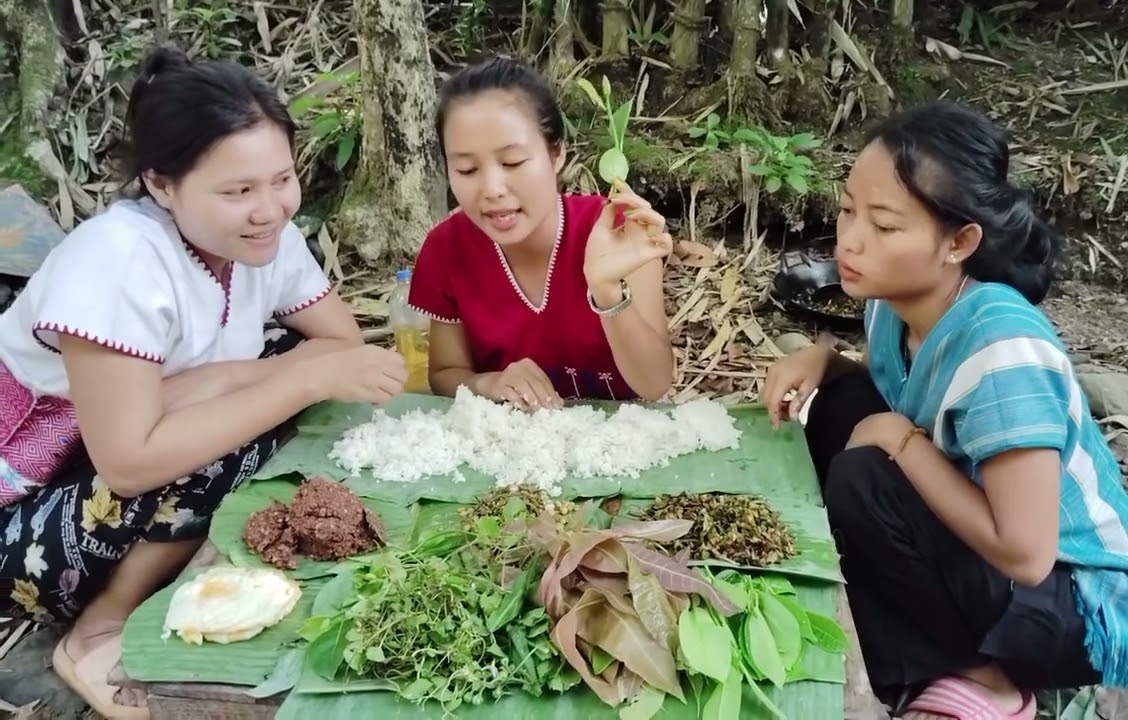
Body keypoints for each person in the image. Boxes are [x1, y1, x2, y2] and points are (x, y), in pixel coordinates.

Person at [0, 47, 407, 719]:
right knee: (230, 431)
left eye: (281, 179)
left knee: (281, 382)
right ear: (162, 186)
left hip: (119, 443)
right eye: (237, 191)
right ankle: (98, 628)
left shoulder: (260, 237)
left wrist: (241, 380)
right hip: (33, 513)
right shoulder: (118, 261)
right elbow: (130, 463)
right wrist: (289, 381)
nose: (270, 208)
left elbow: (339, 341)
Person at [763, 102, 1128, 720]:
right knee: (844, 408)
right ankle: (913, 638)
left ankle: (987, 683)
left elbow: (1027, 552)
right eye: (847, 210)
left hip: (1070, 604)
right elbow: (908, 389)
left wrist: (902, 444)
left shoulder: (1002, 347)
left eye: (886, 226)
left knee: (865, 473)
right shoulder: (892, 303)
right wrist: (828, 362)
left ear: (960, 242)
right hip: (999, 556)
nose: (851, 240)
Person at [408, 56, 676, 409]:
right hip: (514, 451)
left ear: (556, 154)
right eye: (467, 169)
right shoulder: (447, 248)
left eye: (513, 163)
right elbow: (445, 373)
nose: (492, 188)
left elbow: (655, 384)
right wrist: (490, 383)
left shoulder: (617, 231)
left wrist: (608, 291)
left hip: (622, 446)